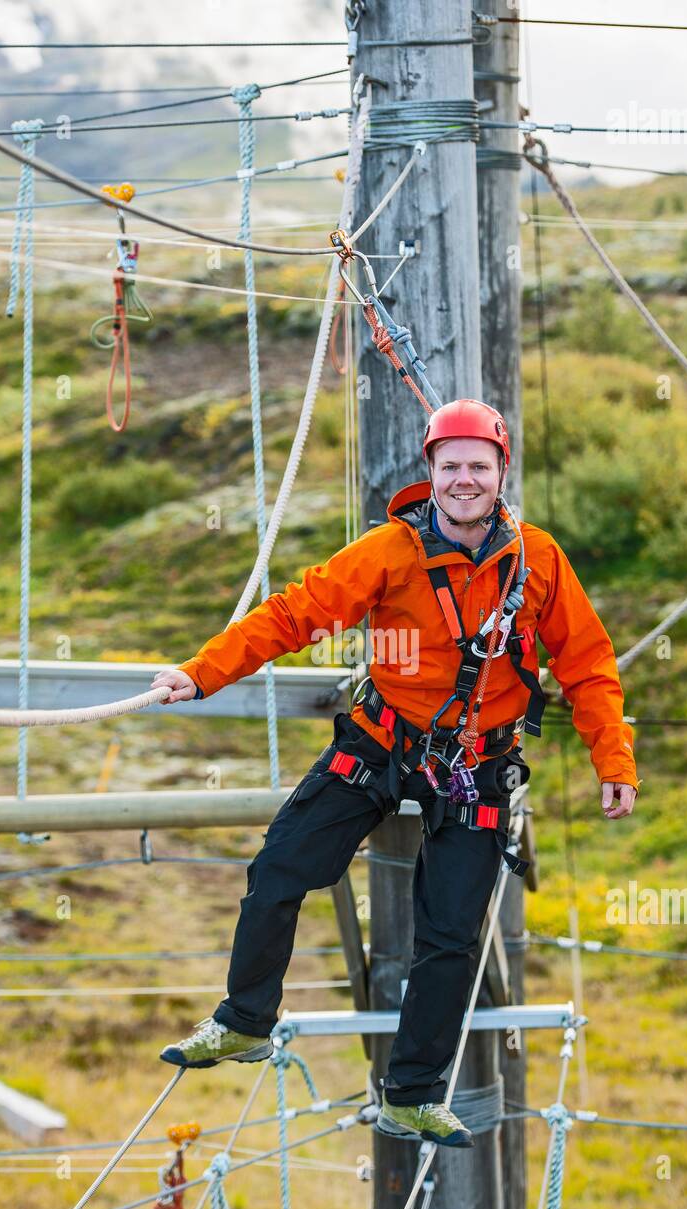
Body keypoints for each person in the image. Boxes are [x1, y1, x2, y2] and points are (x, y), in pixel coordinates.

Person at [151, 399, 638, 1148]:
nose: (465, 480)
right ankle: (244, 1021)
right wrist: (200, 674)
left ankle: (411, 1094)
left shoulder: (537, 559)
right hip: (382, 741)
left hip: (479, 761)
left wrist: (614, 758)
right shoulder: (391, 551)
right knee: (280, 868)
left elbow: (587, 662)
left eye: (479, 466)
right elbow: (293, 614)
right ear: (431, 473)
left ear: (502, 472)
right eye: (452, 467)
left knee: (448, 936)